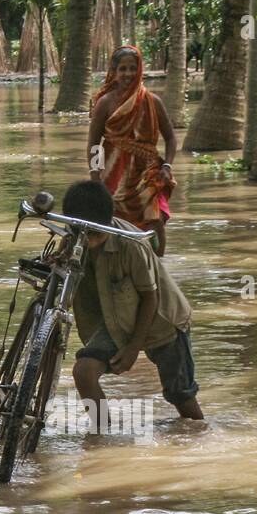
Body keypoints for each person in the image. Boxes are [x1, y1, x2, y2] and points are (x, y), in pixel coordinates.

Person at [59, 179, 203, 422]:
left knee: (182, 396)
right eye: (80, 232)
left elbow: (150, 297)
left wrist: (133, 349)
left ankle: (200, 439)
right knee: (84, 372)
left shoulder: (131, 245)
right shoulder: (74, 238)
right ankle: (100, 434)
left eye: (94, 234)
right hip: (116, 320)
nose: (87, 240)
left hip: (162, 321)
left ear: (107, 223)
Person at [87, 45, 177, 257]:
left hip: (147, 175)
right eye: (123, 69)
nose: (128, 74)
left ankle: (157, 265)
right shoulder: (105, 103)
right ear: (114, 72)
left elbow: (171, 138)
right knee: (110, 225)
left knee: (153, 221)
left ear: (139, 70)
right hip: (112, 176)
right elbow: (94, 143)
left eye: (132, 68)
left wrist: (167, 166)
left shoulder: (153, 101)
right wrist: (95, 178)